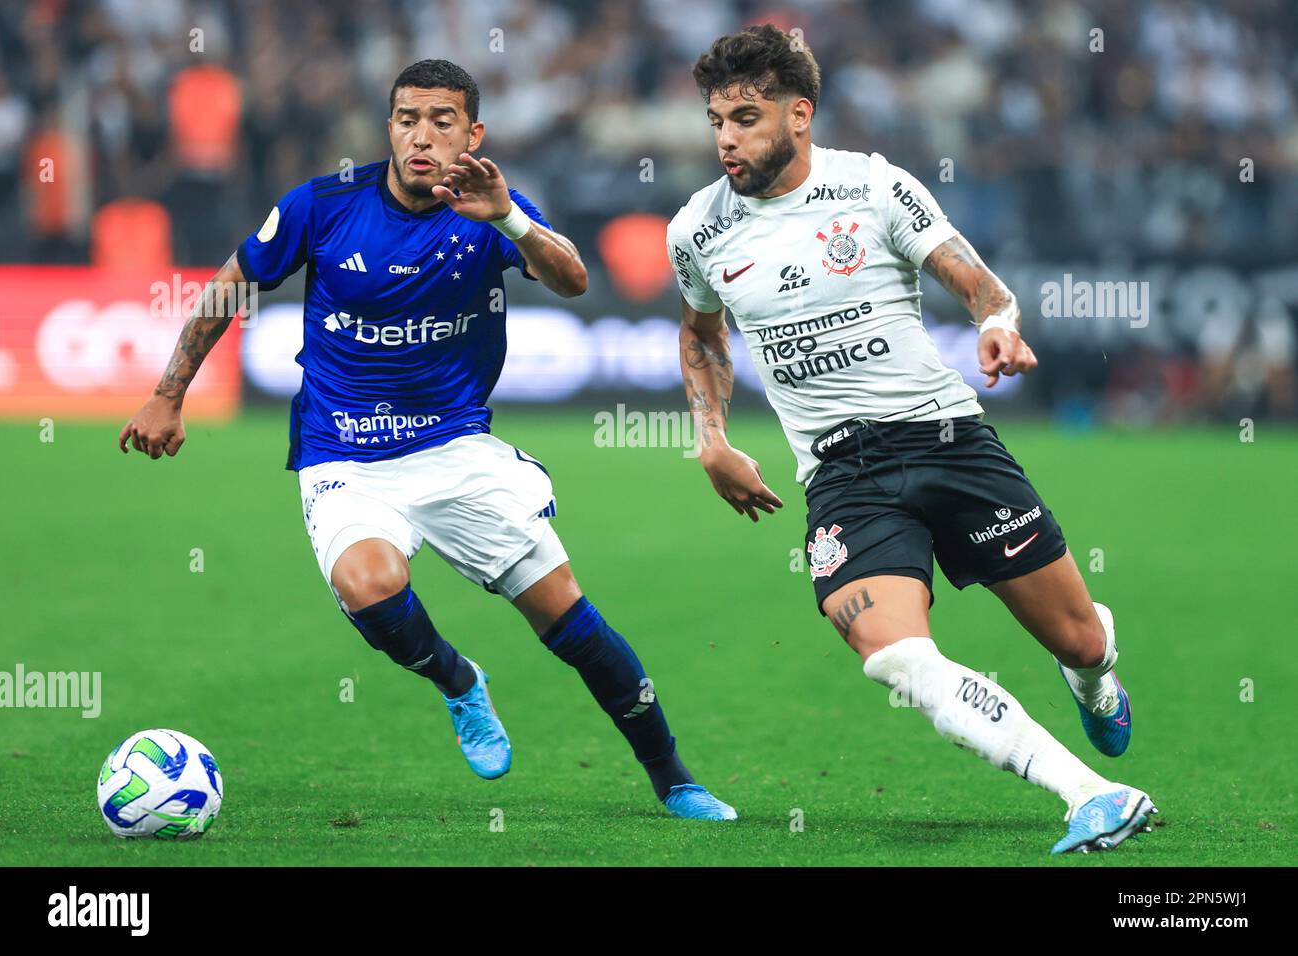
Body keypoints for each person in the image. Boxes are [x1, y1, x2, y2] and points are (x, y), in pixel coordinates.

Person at [120, 58, 735, 822]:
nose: (422, 135)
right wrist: (167, 393)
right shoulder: (323, 206)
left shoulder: (489, 207)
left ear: (472, 133)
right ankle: (458, 682)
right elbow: (233, 283)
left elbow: (574, 280)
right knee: (368, 585)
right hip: (342, 451)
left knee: (566, 616)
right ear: (388, 128)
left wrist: (508, 216)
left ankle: (673, 777)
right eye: (408, 118)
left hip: (455, 450)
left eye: (442, 121)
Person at [667, 26, 1155, 852]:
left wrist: (998, 324)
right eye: (716, 119)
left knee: (1075, 634)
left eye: (745, 117)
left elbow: (976, 280)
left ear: (800, 113)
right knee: (897, 659)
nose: (725, 138)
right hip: (842, 478)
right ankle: (1090, 793)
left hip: (948, 442)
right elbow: (702, 335)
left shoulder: (874, 187)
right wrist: (710, 437)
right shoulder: (697, 231)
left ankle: (1094, 671)